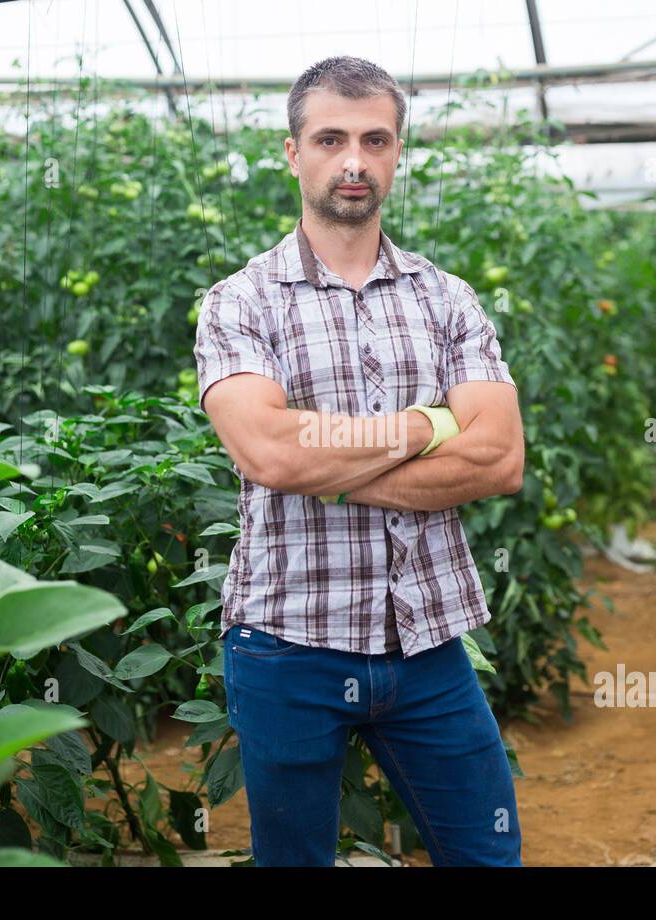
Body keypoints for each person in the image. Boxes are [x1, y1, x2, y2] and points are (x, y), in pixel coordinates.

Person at [193, 55, 524, 866]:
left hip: (427, 644)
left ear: (398, 154)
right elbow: (269, 452)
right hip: (288, 643)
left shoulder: (448, 299)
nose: (353, 159)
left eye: (375, 139)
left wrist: (330, 463)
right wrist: (428, 423)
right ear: (293, 152)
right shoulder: (241, 301)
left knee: (488, 856)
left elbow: (500, 457)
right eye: (330, 138)